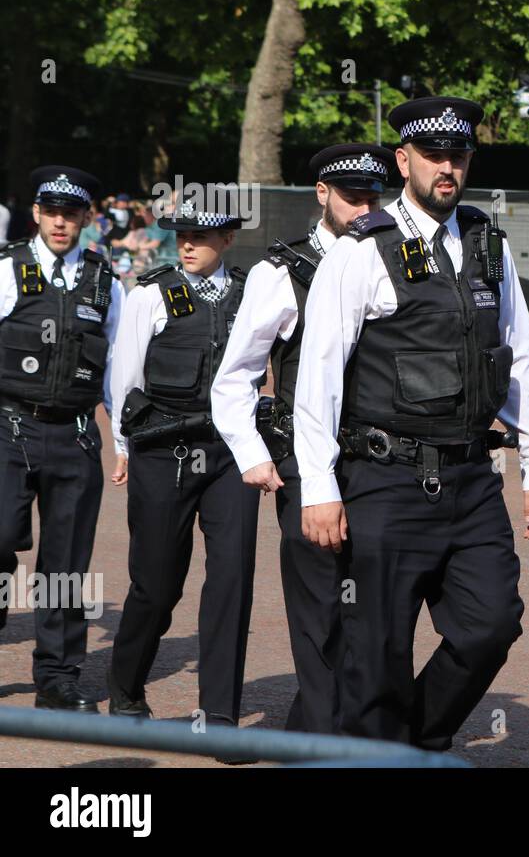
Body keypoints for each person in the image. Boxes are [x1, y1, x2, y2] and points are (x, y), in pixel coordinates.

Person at [294, 96, 529, 750]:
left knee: (490, 624)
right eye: (435, 155)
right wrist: (319, 486)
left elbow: (520, 356)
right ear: (403, 160)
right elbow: (319, 374)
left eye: (459, 155)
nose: (448, 167)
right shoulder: (362, 251)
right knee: (377, 651)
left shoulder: (487, 247)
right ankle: (382, 758)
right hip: (384, 479)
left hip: (471, 478)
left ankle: (416, 741)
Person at [211, 143, 396, 735]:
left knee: (369, 613)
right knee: (320, 616)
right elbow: (235, 375)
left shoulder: (394, 257)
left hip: (380, 463)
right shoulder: (279, 271)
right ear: (322, 194)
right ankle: (322, 741)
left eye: (373, 197)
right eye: (351, 197)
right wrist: (252, 455)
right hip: (304, 461)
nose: (364, 207)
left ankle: (315, 730)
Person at [107, 197, 261, 759]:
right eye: (181, 235)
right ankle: (125, 684)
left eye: (201, 234)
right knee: (157, 583)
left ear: (228, 238)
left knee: (231, 578)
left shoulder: (252, 292)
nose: (187, 243)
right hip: (162, 451)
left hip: (229, 453)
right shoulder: (150, 292)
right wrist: (123, 447)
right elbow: (126, 376)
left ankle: (218, 716)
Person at [0, 166, 124, 712]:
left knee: (65, 561)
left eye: (70, 214)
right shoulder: (7, 270)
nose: (60, 222)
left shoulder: (105, 281)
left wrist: (121, 441)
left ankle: (57, 677)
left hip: (74, 437)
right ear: (35, 214)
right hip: (7, 429)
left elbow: (119, 370)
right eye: (51, 212)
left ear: (85, 218)